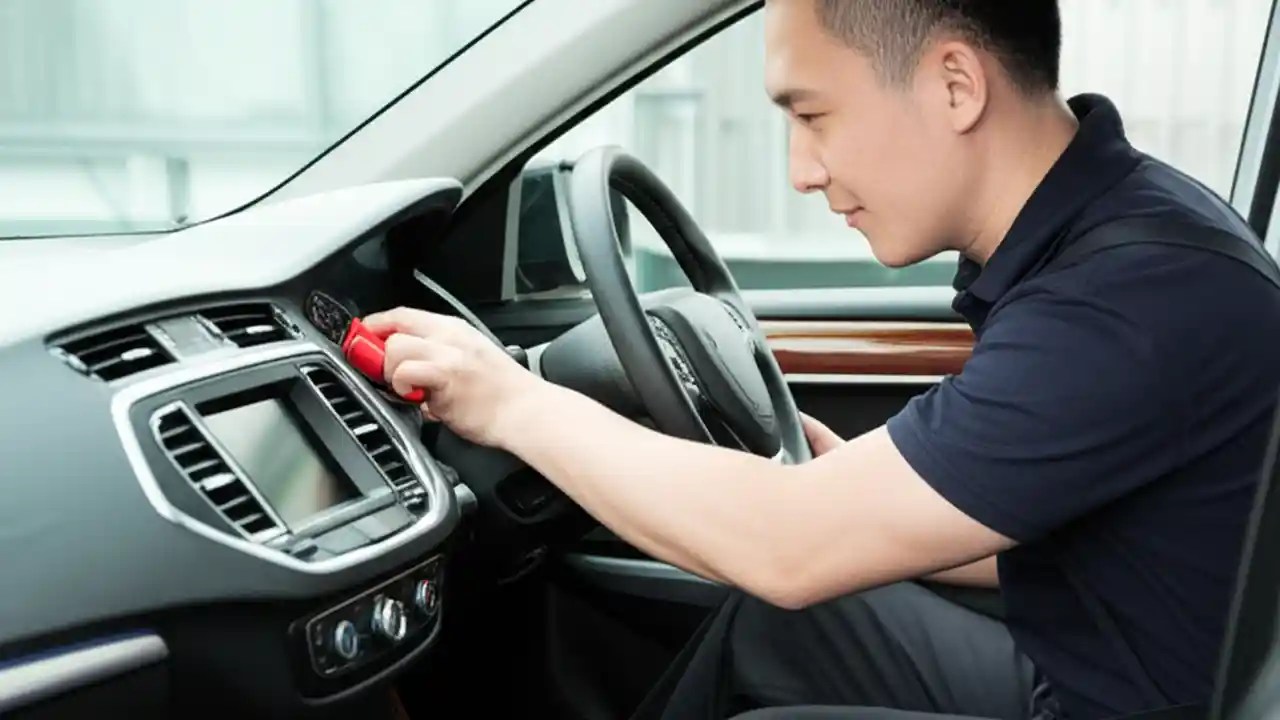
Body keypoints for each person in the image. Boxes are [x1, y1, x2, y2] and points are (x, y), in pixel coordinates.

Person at [363, 1, 1280, 718]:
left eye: (814, 114)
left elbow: (786, 545)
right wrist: (860, 488)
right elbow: (1078, 528)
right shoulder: (1110, 235)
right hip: (1100, 673)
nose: (801, 168)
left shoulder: (1124, 297)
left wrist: (514, 403)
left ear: (955, 85)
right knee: (780, 622)